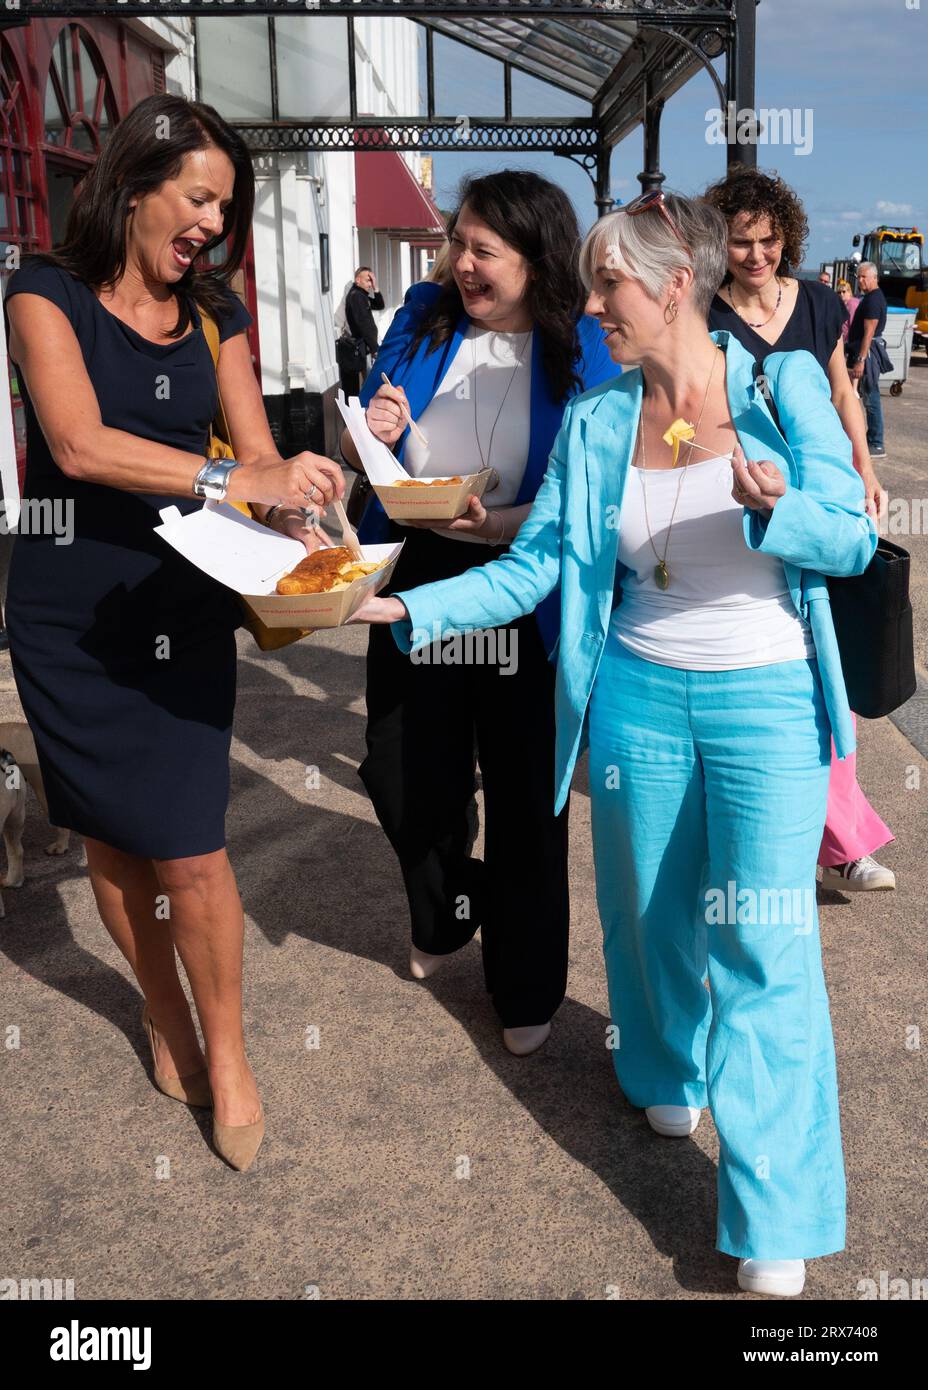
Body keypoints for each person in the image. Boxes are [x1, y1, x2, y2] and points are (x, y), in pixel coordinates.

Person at [351, 190, 877, 1296]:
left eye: (607, 286)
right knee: (644, 917)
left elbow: (850, 536)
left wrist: (779, 504)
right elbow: (532, 565)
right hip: (637, 698)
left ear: (675, 284)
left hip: (765, 701)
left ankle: (772, 1202)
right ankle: (659, 1062)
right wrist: (403, 610)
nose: (590, 307)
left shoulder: (778, 390)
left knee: (764, 947)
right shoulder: (597, 422)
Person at [2, 94, 344, 1172]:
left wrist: (301, 507)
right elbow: (76, 441)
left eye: (224, 206)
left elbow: (255, 452)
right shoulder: (42, 291)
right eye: (197, 196)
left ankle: (230, 1054)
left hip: (180, 604)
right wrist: (228, 474)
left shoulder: (214, 312)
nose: (210, 222)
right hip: (69, 612)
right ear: (134, 184)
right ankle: (163, 1015)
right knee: (111, 838)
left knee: (192, 850)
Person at [339, 170, 616, 1056]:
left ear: (537, 261)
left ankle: (526, 977)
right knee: (399, 769)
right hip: (419, 567)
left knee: (529, 794)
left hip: (526, 587)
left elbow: (590, 497)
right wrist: (377, 422)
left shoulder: (588, 351)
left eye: (482, 250)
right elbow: (369, 424)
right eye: (457, 241)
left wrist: (498, 521)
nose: (461, 262)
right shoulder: (422, 314)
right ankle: (455, 902)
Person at [704, 166, 894, 892]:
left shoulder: (817, 301)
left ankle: (844, 839)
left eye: (768, 240)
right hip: (744, 503)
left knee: (829, 666)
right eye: (741, 241)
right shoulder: (702, 311)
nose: (756, 255)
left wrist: (865, 471)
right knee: (781, 671)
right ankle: (810, 834)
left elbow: (844, 389)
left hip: (815, 498)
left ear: (788, 236)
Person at [847, 261, 889, 459]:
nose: (860, 280)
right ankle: (872, 438)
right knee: (870, 397)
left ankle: (876, 443)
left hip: (868, 353)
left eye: (864, 277)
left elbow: (869, 331)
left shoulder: (873, 300)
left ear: (874, 277)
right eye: (859, 277)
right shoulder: (872, 297)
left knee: (871, 399)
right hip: (866, 351)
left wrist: (861, 360)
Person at [339, 266, 385, 397]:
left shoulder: (361, 295)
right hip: (361, 348)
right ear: (357, 280)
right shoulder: (356, 297)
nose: (370, 284)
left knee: (367, 383)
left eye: (371, 281)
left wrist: (376, 287)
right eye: (368, 280)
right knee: (368, 384)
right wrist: (374, 348)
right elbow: (364, 325)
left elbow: (380, 305)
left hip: (364, 347)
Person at [836, 278, 859, 343]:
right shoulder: (842, 304)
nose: (841, 294)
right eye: (839, 292)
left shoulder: (852, 304)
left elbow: (853, 325)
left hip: (849, 341)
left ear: (849, 292)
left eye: (844, 291)